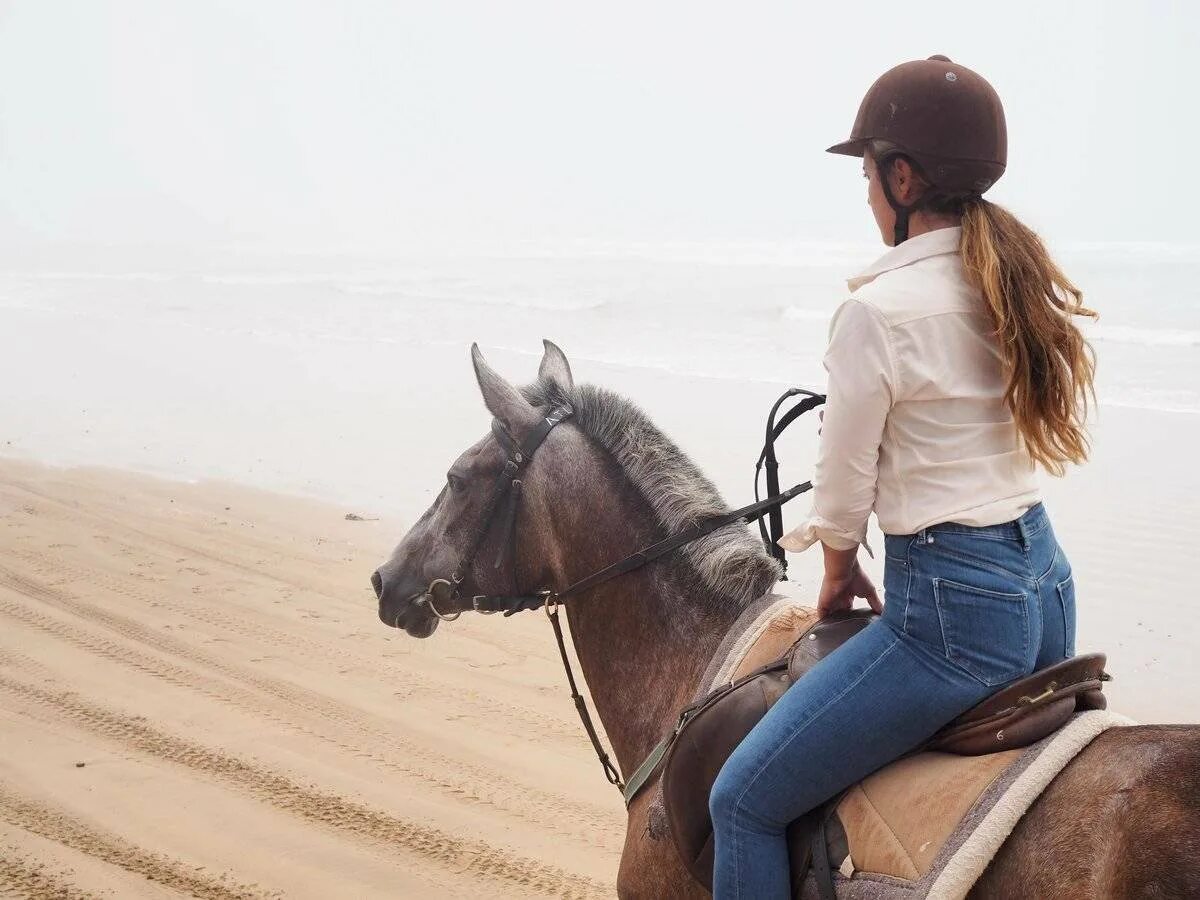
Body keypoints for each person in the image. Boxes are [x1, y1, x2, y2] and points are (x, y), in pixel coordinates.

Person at [708, 55, 1097, 898]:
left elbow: (843, 484)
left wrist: (837, 570)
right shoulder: (1009, 283)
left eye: (868, 177)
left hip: (955, 618)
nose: (866, 196)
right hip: (1049, 590)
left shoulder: (873, 312)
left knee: (741, 802)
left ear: (904, 178)